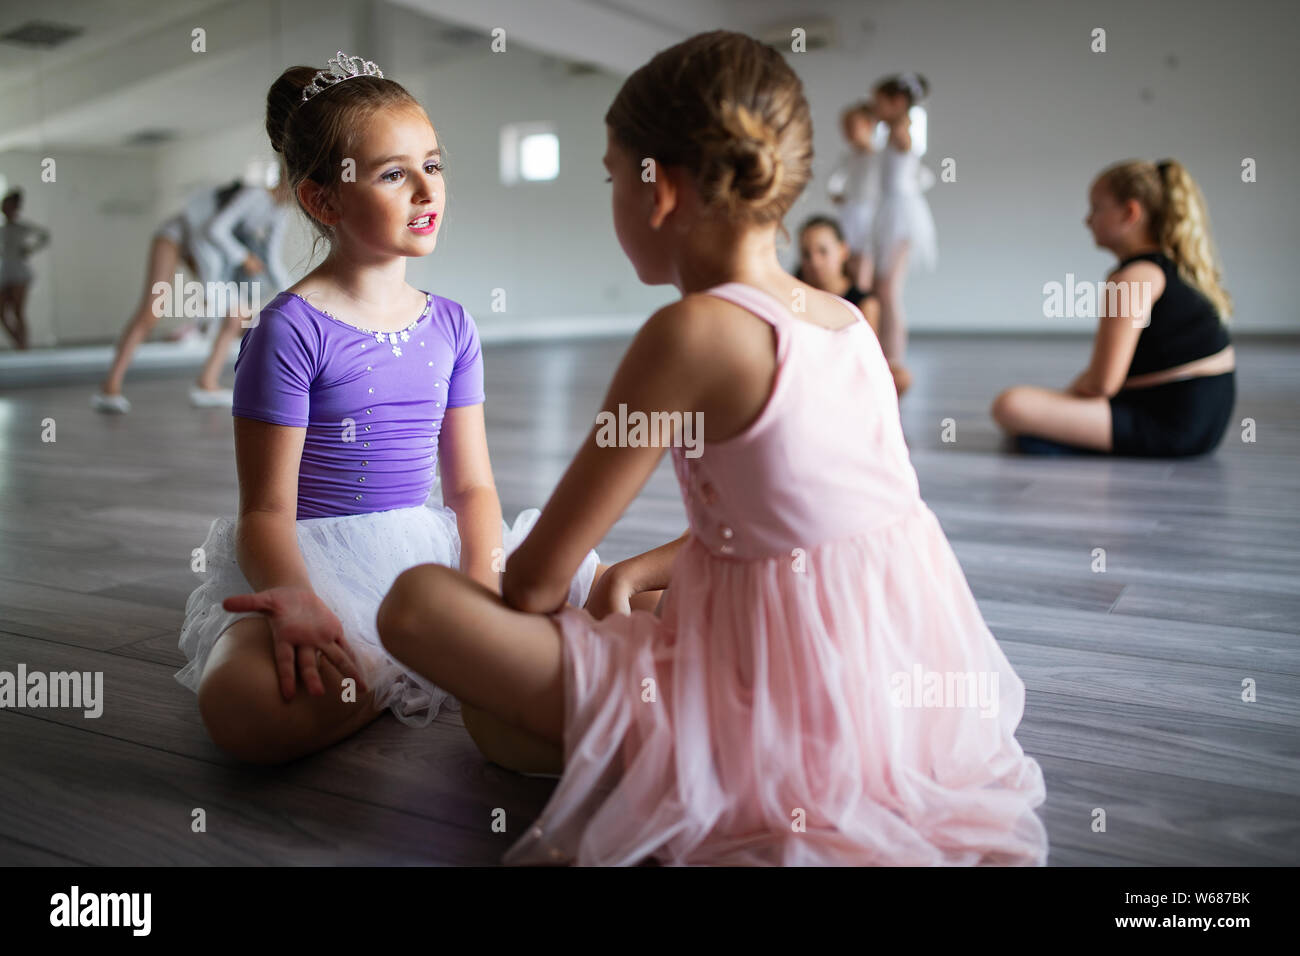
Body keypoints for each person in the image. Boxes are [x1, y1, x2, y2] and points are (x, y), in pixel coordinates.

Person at [375, 31, 1048, 866]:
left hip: (766, 715)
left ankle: (677, 756)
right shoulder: (844, 321)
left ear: (664, 191)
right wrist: (639, 572)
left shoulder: (690, 334)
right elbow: (815, 527)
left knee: (416, 606)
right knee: (626, 604)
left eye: (613, 177)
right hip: (881, 694)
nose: (615, 198)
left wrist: (523, 616)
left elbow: (541, 579)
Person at [176, 51, 611, 764]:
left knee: (604, 595)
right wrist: (295, 597)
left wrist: (479, 591)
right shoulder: (288, 328)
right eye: (392, 174)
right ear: (323, 201)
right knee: (239, 708)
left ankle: (445, 656)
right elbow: (264, 513)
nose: (424, 189)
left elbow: (471, 487)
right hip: (317, 560)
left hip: (430, 552)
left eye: (432, 166)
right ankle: (404, 671)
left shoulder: (452, 325)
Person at [992, 159, 1235, 457]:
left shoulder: (1135, 276)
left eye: (1096, 208)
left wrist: (1060, 401)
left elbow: (1103, 383)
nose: (1087, 220)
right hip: (1201, 422)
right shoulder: (1165, 270)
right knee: (1035, 410)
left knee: (1011, 405)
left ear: (1130, 213)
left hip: (1174, 426)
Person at [92, 179, 275, 413]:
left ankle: (207, 383)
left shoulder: (262, 218)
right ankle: (109, 387)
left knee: (236, 316)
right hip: (174, 237)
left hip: (201, 250)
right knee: (151, 312)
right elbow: (212, 253)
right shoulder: (234, 211)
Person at [869, 72, 938, 389]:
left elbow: (908, 149)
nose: (874, 108)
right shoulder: (893, 131)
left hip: (902, 215)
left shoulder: (901, 131)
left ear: (897, 103)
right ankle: (886, 355)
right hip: (892, 212)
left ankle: (893, 360)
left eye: (879, 102)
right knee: (884, 289)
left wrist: (901, 118)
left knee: (889, 291)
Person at [795, 214, 914, 396]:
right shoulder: (796, 295)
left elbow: (865, 358)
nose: (815, 262)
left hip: (843, 373)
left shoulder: (865, 303)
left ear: (843, 251)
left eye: (823, 252)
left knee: (900, 377)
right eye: (806, 254)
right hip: (805, 371)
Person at [826, 101, 881, 292]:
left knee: (865, 270)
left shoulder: (879, 157)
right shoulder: (849, 157)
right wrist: (837, 196)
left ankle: (866, 310)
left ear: (868, 125)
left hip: (870, 218)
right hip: (850, 216)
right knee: (848, 265)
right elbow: (833, 181)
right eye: (844, 127)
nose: (847, 132)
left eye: (851, 126)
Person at [0, 189, 51, 350]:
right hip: (5, 271)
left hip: (19, 272)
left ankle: (23, 346)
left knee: (17, 311)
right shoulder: (3, 229)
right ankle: (19, 342)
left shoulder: (21, 227)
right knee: (2, 311)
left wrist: (30, 249)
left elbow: (44, 235)